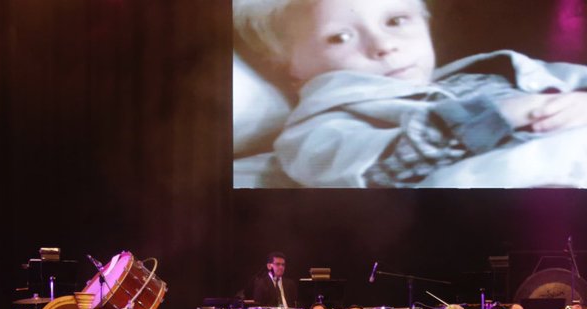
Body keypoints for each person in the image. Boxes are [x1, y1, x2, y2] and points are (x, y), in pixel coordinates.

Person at [235, 0, 587, 188]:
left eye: (396, 20)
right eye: (339, 37)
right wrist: (502, 115)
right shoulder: (321, 120)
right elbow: (378, 171)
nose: (384, 46)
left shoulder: (491, 69)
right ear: (289, 67)